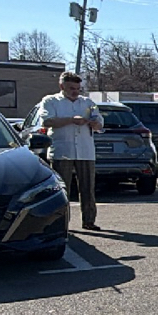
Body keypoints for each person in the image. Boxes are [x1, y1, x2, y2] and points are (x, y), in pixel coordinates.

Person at [36, 71, 104, 230]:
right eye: (71, 88)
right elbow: (46, 121)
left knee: (88, 188)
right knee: (62, 189)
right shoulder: (51, 101)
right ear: (62, 86)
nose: (75, 91)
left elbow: (100, 123)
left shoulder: (87, 103)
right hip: (62, 150)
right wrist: (71, 120)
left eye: (78, 88)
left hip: (85, 151)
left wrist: (95, 124)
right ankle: (61, 223)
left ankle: (89, 221)